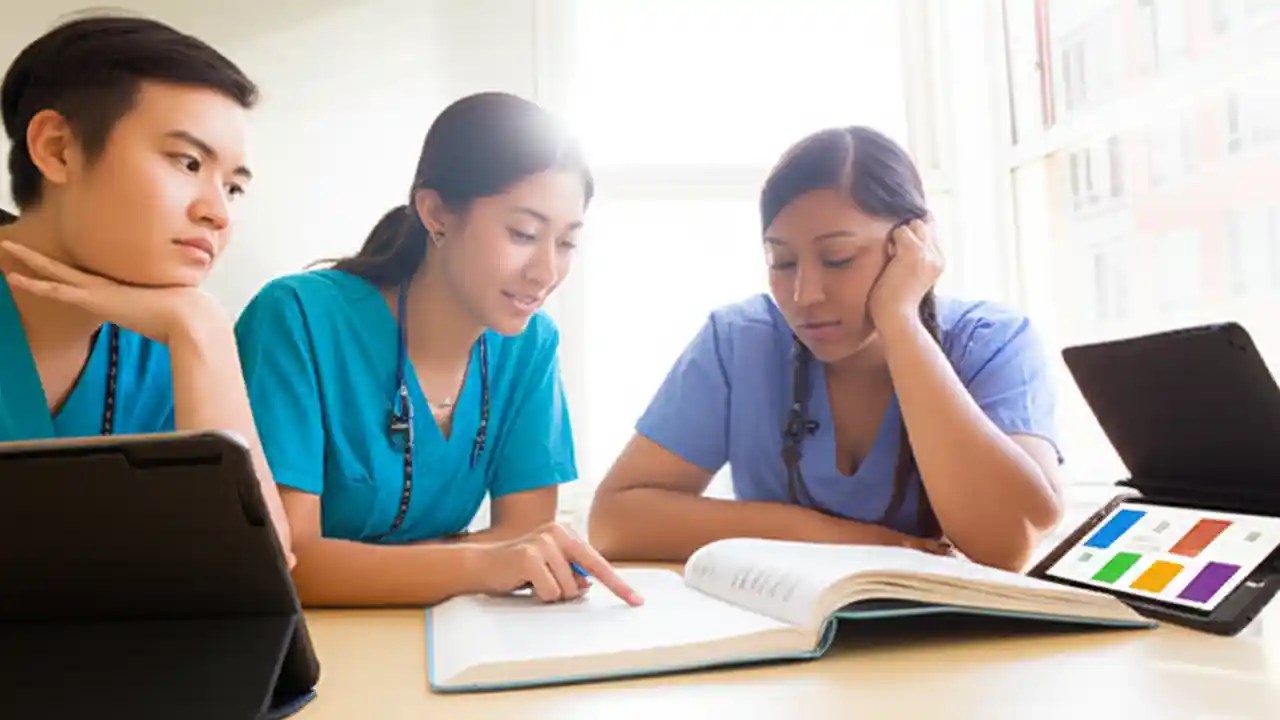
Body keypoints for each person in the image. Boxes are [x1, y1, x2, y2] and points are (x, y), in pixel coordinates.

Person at [588, 126, 1065, 571]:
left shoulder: (993, 341)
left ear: (913, 244)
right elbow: (614, 521)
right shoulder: (739, 341)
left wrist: (901, 322)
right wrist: (835, 537)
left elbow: (1008, 544)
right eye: (782, 261)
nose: (804, 295)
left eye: (838, 259)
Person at [235, 92, 641, 607]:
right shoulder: (295, 318)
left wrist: (385, 565)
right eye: (523, 233)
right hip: (313, 650)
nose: (546, 273)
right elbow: (287, 562)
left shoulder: (530, 345)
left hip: (446, 639)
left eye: (565, 244)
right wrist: (476, 559)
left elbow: (526, 537)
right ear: (435, 214)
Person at [0, 14, 293, 562]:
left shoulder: (176, 346)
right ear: (58, 149)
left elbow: (254, 575)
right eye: (188, 162)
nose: (217, 213)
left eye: (233, 187)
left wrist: (200, 326)